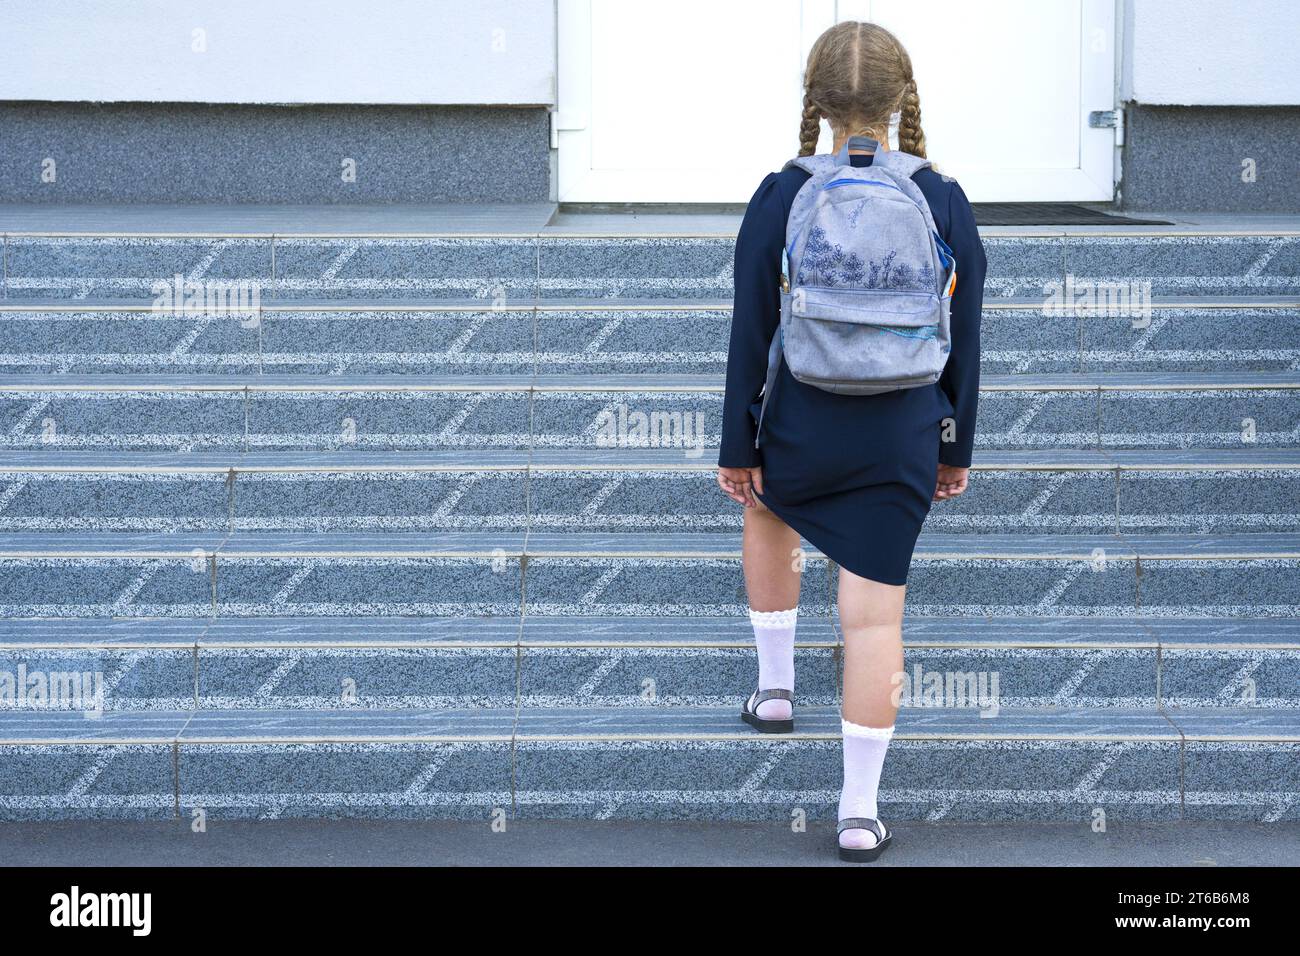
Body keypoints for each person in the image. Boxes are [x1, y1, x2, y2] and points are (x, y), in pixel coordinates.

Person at [717, 20, 987, 862]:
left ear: (816, 103)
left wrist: (738, 442)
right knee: (874, 627)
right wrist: (955, 446)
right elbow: (967, 336)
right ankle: (859, 812)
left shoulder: (781, 190)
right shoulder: (940, 196)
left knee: (768, 510)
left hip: (802, 418)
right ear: (904, 98)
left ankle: (774, 687)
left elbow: (751, 325)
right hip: (902, 430)